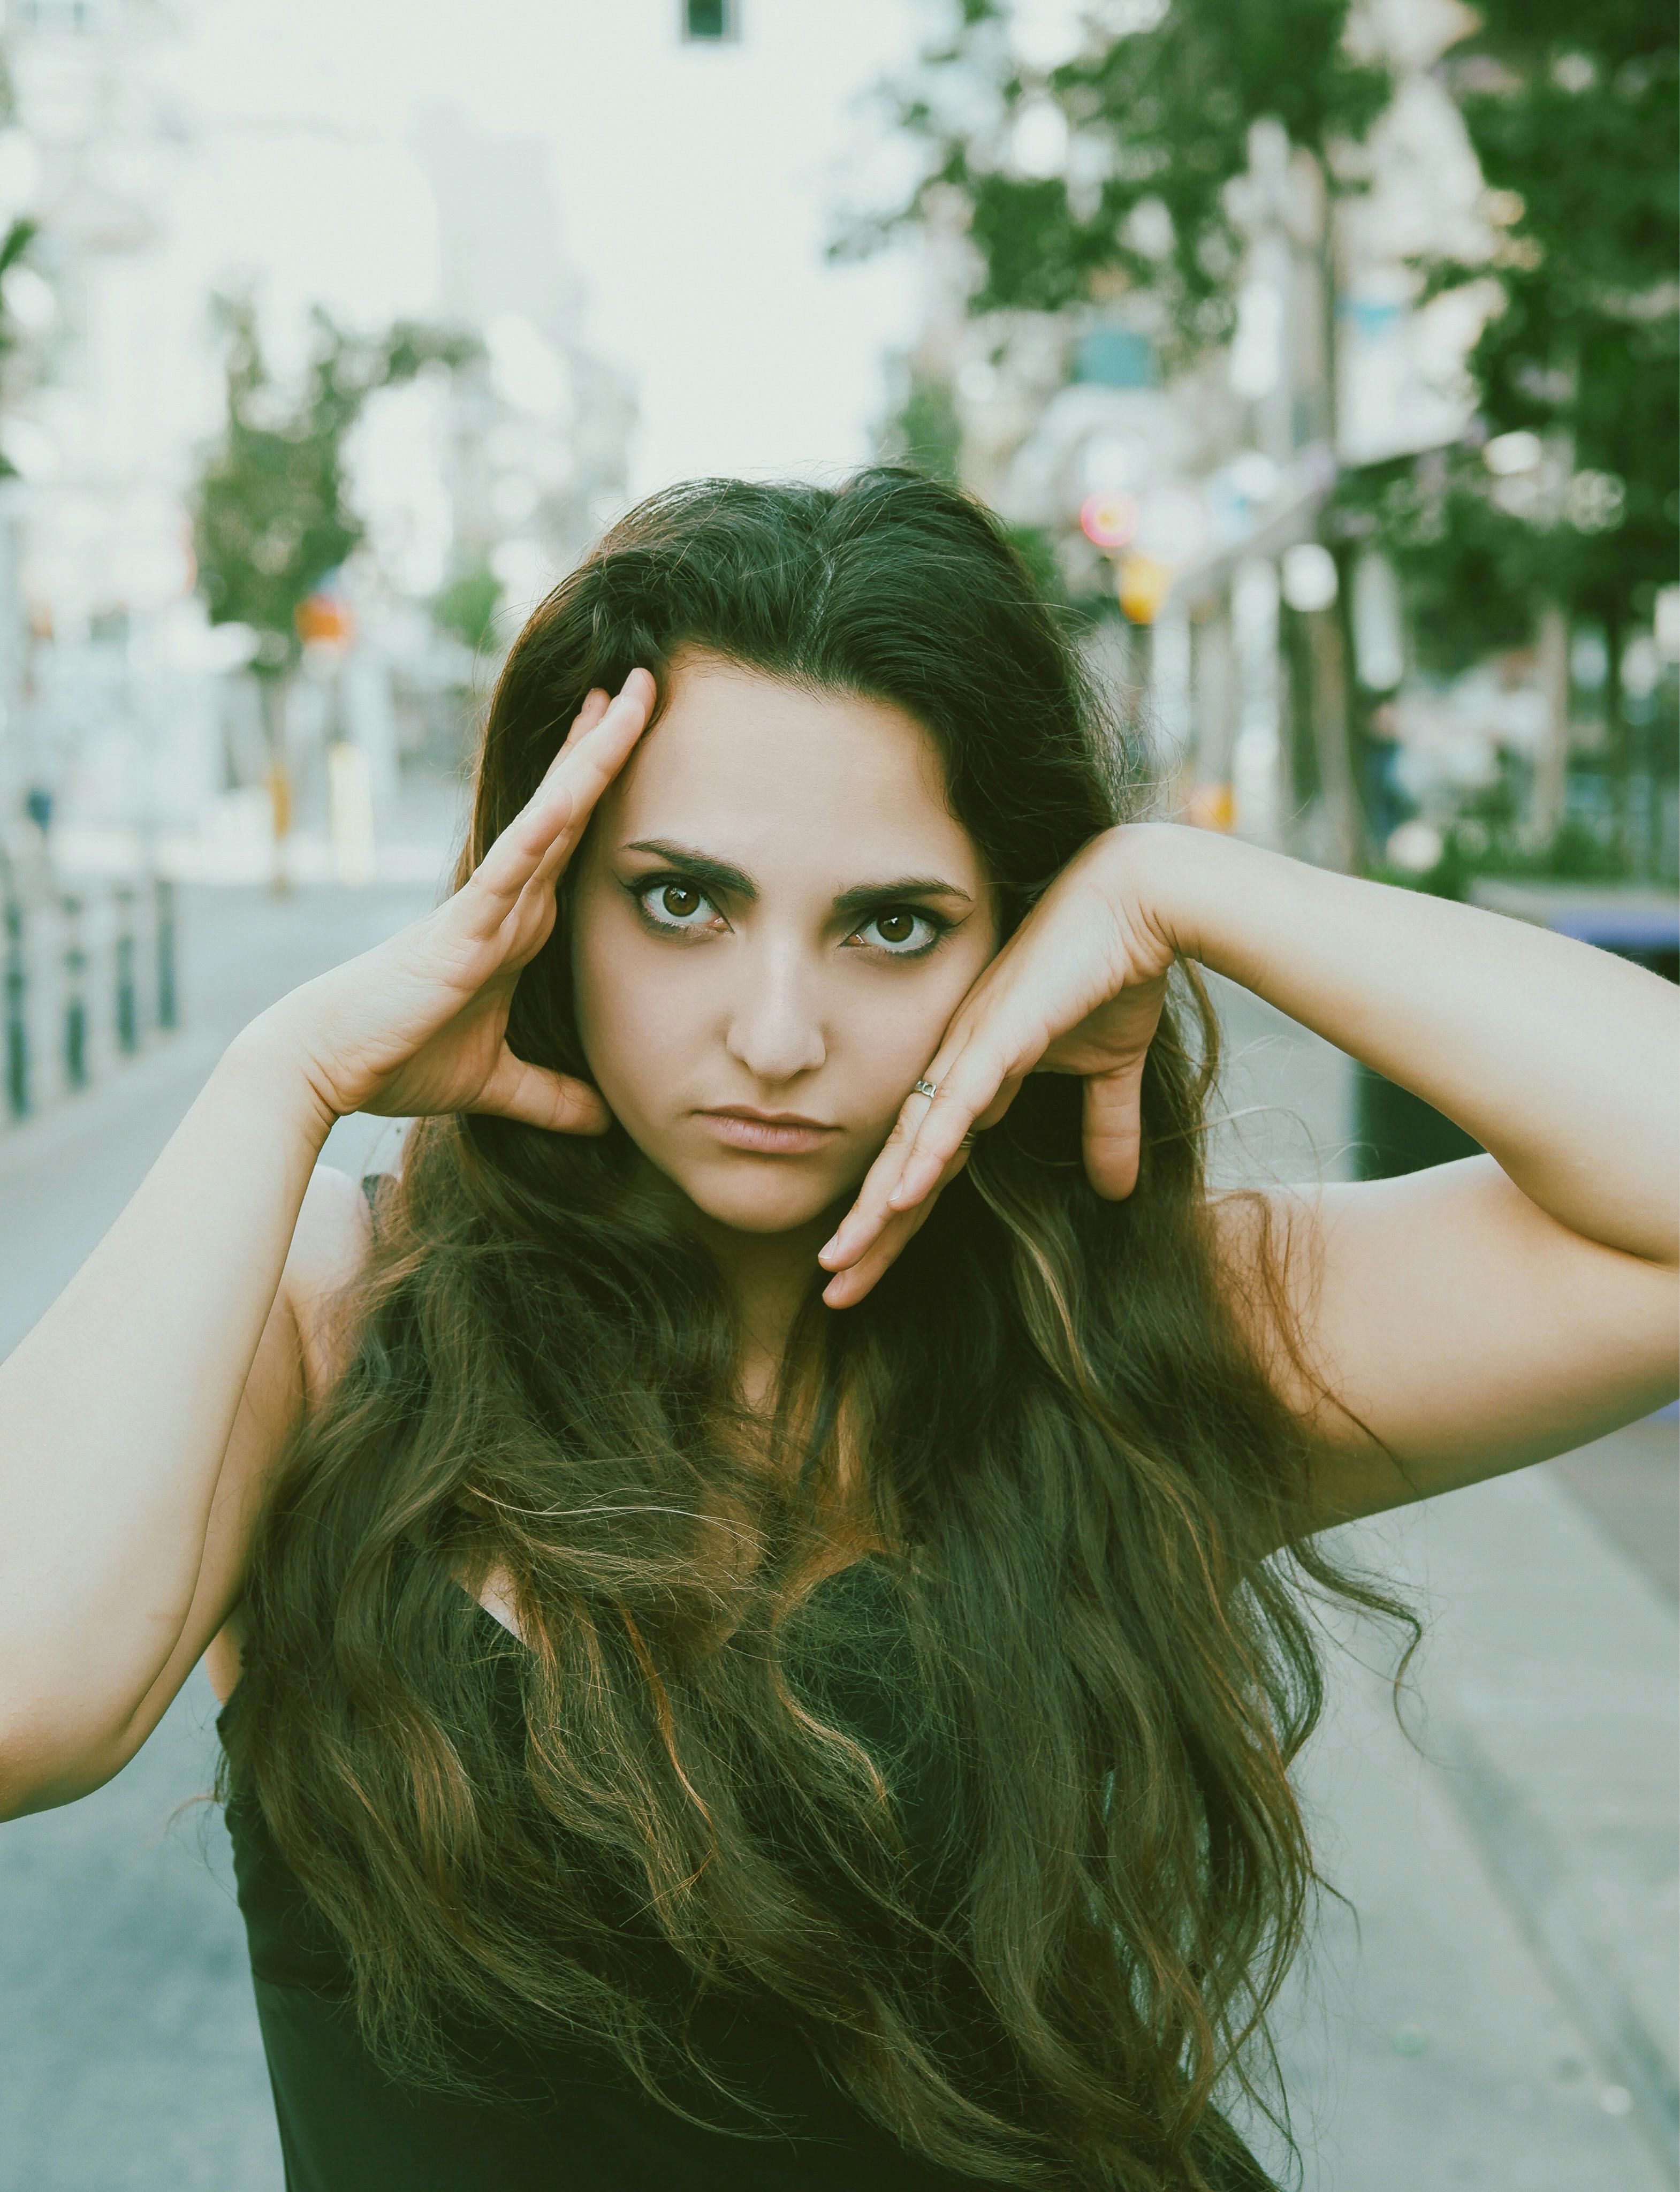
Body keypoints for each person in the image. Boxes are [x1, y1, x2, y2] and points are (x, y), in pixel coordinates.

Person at [0, 471, 1672, 2192]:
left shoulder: (1111, 1337)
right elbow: (21, 1696)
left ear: (1004, 940)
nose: (778, 1034)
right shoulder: (336, 1337)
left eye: (891, 924)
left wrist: (1185, 886)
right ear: (545, 900)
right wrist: (284, 1074)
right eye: (681, 901)